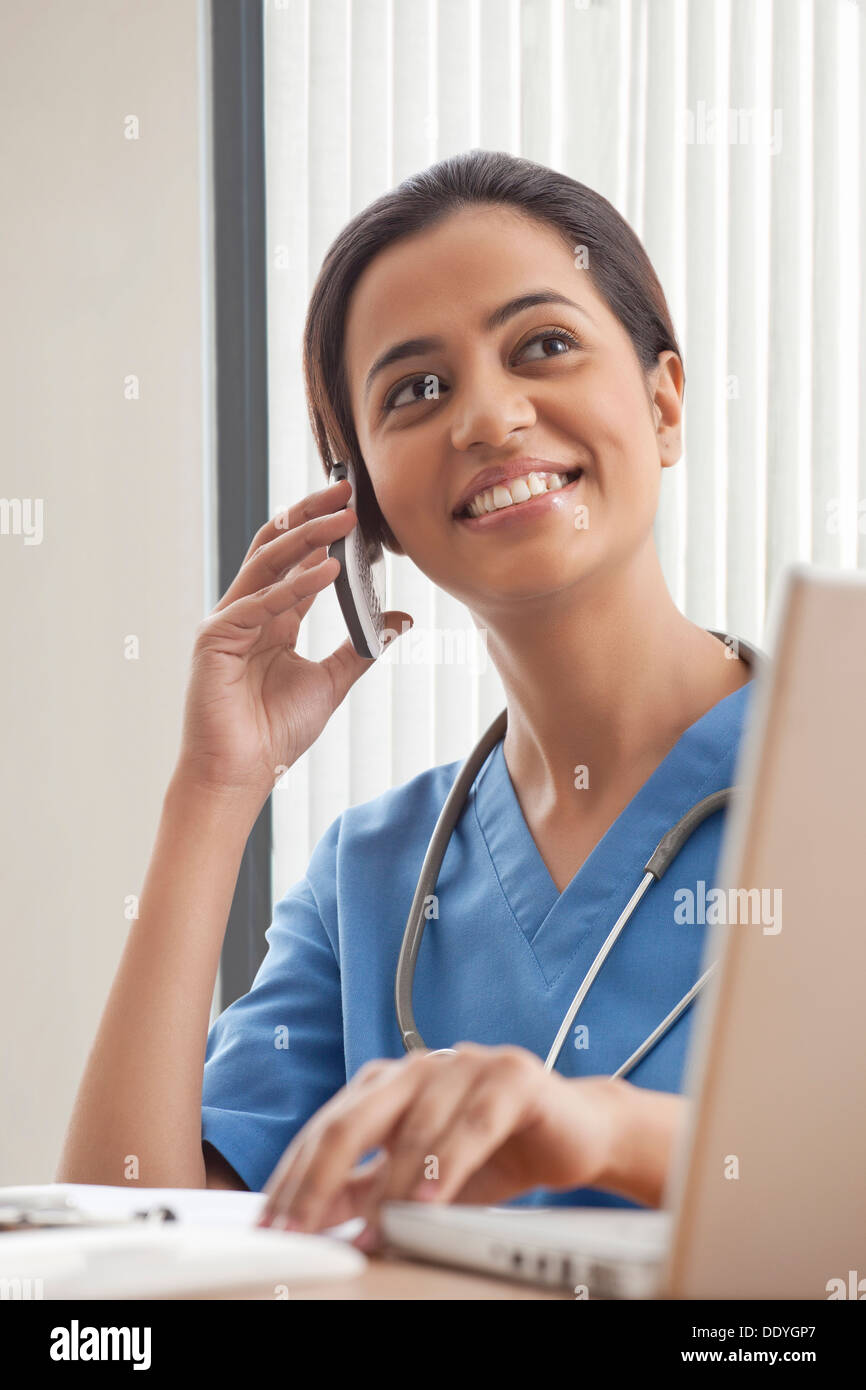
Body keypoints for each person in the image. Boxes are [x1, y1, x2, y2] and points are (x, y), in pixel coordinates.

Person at [58, 150, 755, 1249]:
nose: (486, 416)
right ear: (363, 505)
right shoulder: (370, 881)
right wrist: (214, 791)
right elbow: (127, 1240)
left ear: (663, 403)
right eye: (415, 389)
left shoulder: (834, 776)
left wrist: (610, 1130)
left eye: (543, 344)